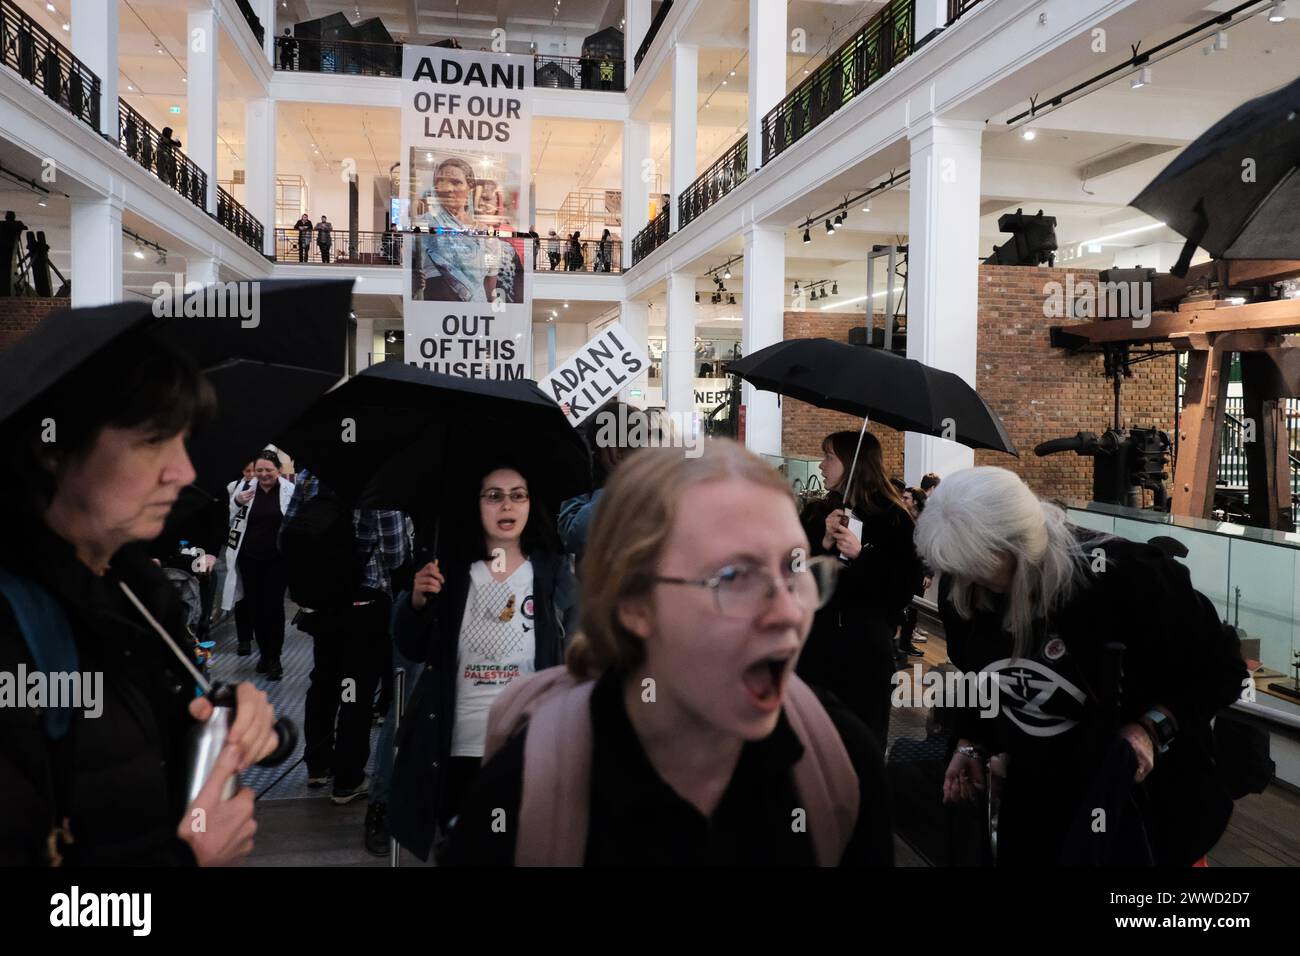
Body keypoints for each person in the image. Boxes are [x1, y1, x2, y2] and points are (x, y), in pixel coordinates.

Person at [442, 440, 893, 866]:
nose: (788, 612)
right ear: (635, 603)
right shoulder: (526, 793)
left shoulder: (840, 766)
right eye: (735, 577)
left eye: (795, 570)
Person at [0, 331, 278, 865]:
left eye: (184, 439)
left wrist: (233, 717)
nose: (187, 471)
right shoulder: (14, 632)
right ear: (52, 450)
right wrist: (189, 859)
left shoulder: (138, 595)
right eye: (153, 441)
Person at [916, 467, 1247, 866]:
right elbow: (983, 678)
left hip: (1135, 807)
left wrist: (1150, 728)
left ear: (1015, 547)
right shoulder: (965, 585)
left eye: (982, 573)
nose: (970, 584)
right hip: (1038, 806)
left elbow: (1222, 668)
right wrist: (971, 741)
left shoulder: (1127, 577)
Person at [387, 463, 578, 860]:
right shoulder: (450, 571)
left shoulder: (550, 571)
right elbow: (411, 646)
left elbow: (577, 648)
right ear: (475, 505)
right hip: (459, 748)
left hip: (528, 746)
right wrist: (418, 602)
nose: (506, 505)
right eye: (493, 495)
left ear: (530, 504)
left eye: (517, 495)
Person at [284, 469, 410, 807]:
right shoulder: (379, 482)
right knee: (356, 686)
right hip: (365, 602)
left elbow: (290, 528)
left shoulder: (310, 475)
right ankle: (348, 778)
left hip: (323, 602)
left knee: (324, 679)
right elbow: (396, 552)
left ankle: (317, 765)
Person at [795, 431, 918, 746]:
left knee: (861, 742)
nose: (821, 465)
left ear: (853, 463)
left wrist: (862, 556)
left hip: (864, 654)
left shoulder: (893, 518)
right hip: (815, 649)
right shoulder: (817, 512)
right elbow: (793, 576)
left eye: (829, 457)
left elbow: (901, 590)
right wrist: (821, 544)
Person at [222, 450, 295, 679]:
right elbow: (231, 519)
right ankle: (264, 653)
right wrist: (236, 502)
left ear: (279, 471)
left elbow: (296, 520)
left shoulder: (289, 491)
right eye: (260, 470)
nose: (264, 475)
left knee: (274, 607)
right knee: (256, 608)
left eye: (269, 471)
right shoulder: (243, 489)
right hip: (249, 558)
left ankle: (275, 657)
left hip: (277, 560)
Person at [412, 157, 488, 302]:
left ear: (470, 188)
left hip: (475, 311)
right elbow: (408, 286)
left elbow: (490, 286)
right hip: (436, 312)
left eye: (456, 182)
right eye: (441, 181)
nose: (447, 189)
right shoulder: (423, 225)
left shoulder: (483, 232)